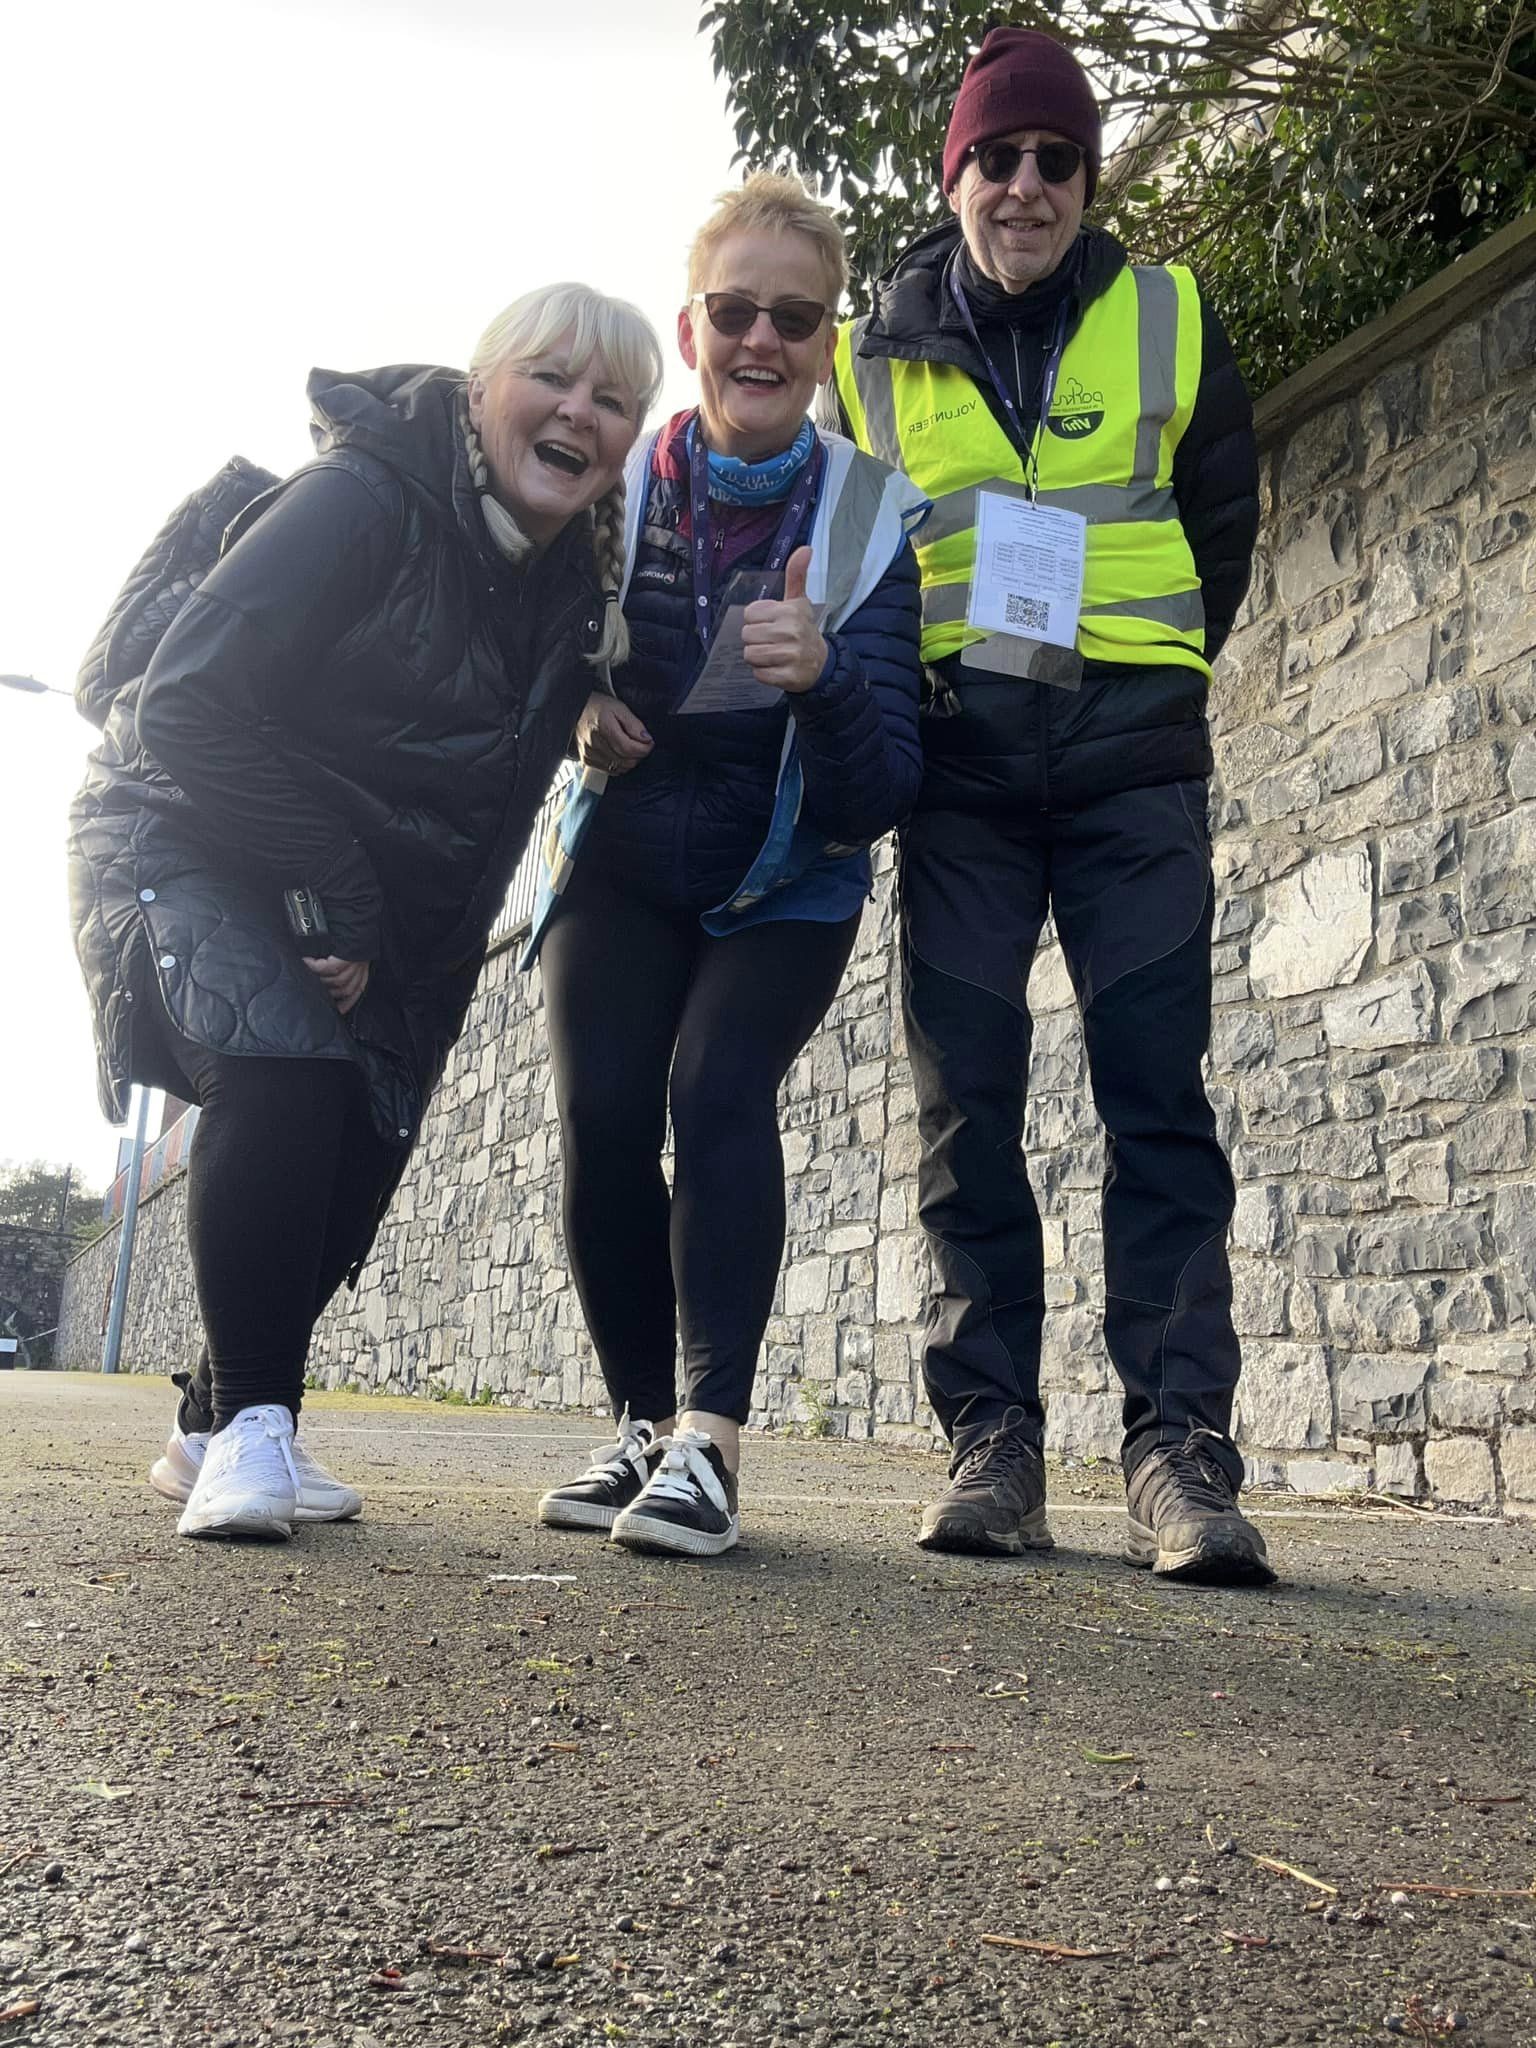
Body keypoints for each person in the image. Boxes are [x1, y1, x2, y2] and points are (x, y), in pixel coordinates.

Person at [69, 285, 663, 1542]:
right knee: (283, 1071)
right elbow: (183, 702)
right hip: (182, 824)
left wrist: (585, 715)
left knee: (353, 1162)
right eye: (551, 378)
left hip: (393, 909)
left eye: (613, 399)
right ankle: (255, 1434)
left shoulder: (572, 574)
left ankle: (208, 1421)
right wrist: (321, 895)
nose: (579, 411)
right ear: (478, 387)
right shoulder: (365, 499)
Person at [825, 29, 1273, 1584]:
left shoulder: (1168, 313)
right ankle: (994, 1443)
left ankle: (1178, 1453)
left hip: (1131, 769)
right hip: (957, 778)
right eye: (995, 158)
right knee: (969, 1114)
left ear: (1088, 177)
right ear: (953, 175)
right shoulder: (864, 354)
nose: (1026, 187)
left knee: (1159, 1101)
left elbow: (1224, 525)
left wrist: (1144, 683)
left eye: (1055, 159)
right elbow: (847, 567)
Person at [525, 174, 927, 1559]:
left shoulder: (874, 516)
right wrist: (579, 713)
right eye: (736, 310)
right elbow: (532, 663)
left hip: (785, 875)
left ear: (827, 342)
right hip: (624, 855)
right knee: (603, 1110)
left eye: (796, 318)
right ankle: (640, 1421)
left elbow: (881, 791)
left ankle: (710, 1443)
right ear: (691, 325)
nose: (763, 340)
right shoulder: (615, 473)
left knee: (715, 1085)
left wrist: (821, 680)